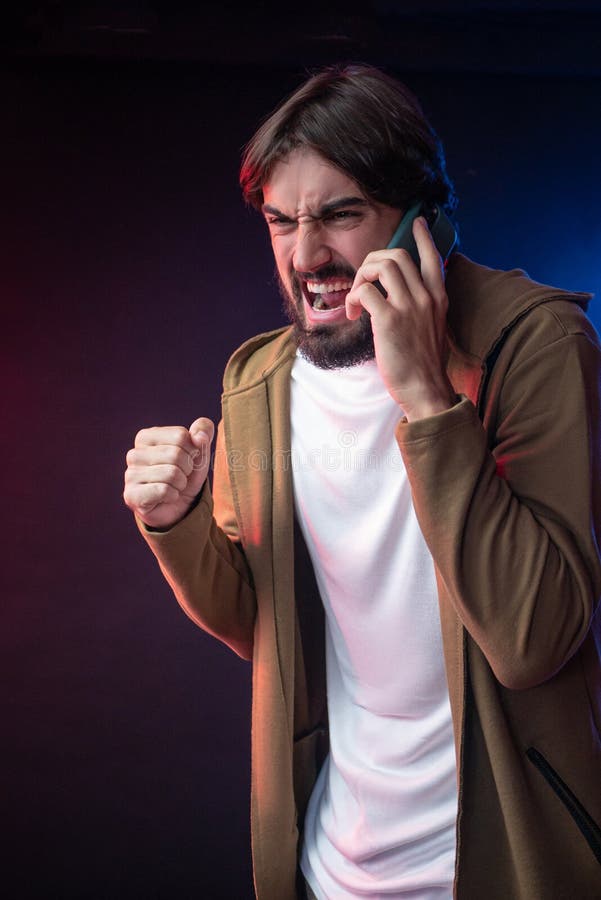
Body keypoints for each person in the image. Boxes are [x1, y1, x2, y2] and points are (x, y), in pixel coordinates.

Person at [123, 65, 601, 899]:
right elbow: (256, 628)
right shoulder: (259, 382)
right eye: (280, 222)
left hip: (498, 864)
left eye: (339, 215)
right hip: (328, 864)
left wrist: (425, 397)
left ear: (425, 220)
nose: (305, 256)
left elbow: (533, 640)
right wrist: (176, 524)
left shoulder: (536, 346)